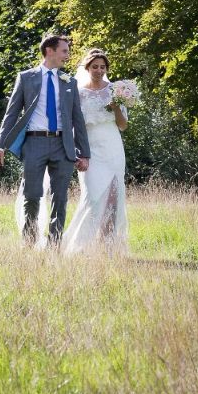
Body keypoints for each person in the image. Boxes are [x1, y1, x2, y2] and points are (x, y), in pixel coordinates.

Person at [0, 34, 91, 248]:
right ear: (50, 50)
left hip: (62, 145)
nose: (68, 55)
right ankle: (29, 242)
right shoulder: (26, 77)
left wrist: (84, 153)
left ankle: (54, 245)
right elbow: (11, 115)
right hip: (34, 143)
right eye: (64, 51)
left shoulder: (69, 82)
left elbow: (77, 119)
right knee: (32, 195)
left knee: (60, 199)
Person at [61, 49, 129, 255]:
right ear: (87, 68)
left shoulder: (116, 91)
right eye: (95, 67)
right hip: (88, 150)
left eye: (103, 67)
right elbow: (72, 124)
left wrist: (116, 107)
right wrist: (76, 151)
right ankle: (79, 247)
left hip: (113, 148)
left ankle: (107, 247)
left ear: (106, 69)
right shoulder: (79, 93)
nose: (99, 70)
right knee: (93, 196)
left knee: (113, 198)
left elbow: (123, 126)